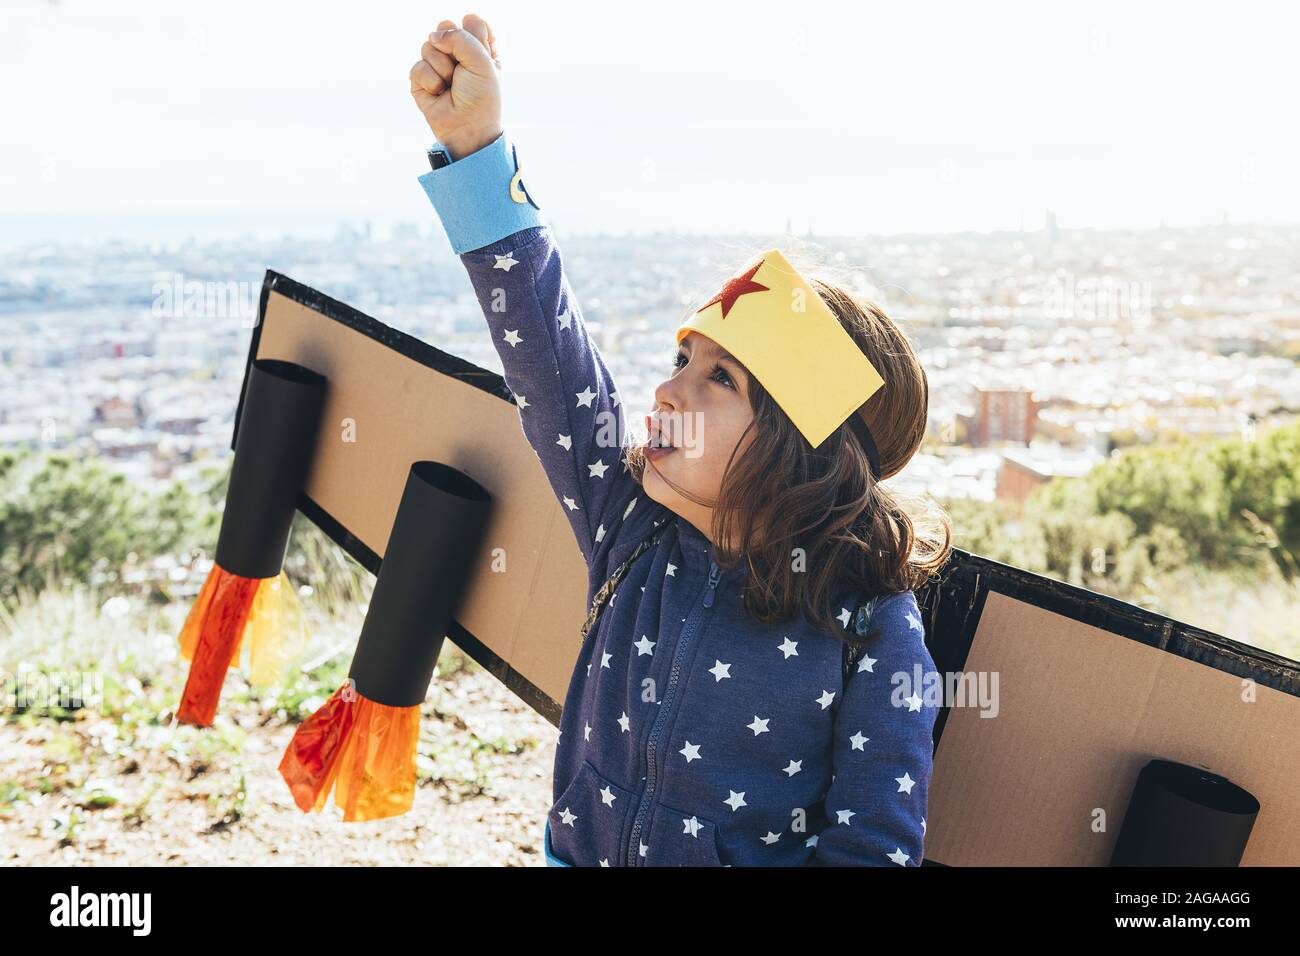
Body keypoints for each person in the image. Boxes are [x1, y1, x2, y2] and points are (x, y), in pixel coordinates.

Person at [409, 14, 952, 866]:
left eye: (720, 379)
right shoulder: (630, 527)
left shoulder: (870, 628)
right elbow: (550, 362)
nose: (667, 389)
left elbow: (873, 847)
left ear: (802, 450)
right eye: (681, 358)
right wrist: (478, 149)